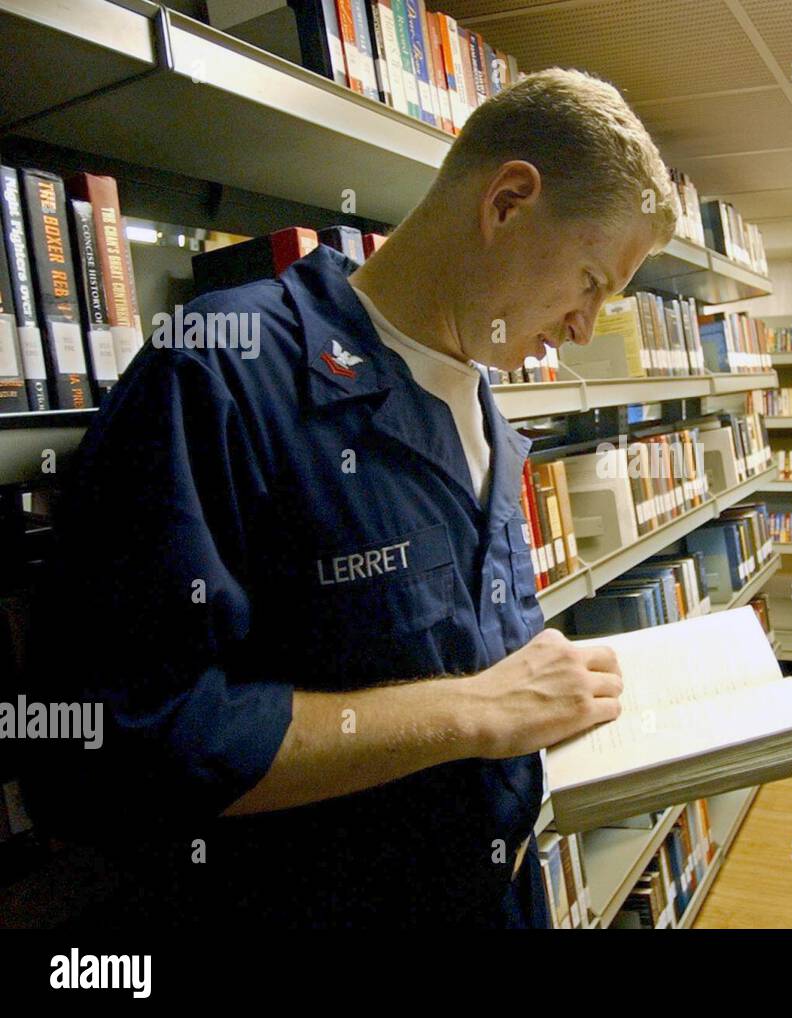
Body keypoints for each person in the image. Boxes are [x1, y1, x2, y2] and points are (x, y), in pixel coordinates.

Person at [28, 67, 679, 929]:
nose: (584, 328)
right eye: (593, 280)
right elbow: (117, 743)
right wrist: (478, 711)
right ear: (509, 202)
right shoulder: (222, 374)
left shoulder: (484, 403)